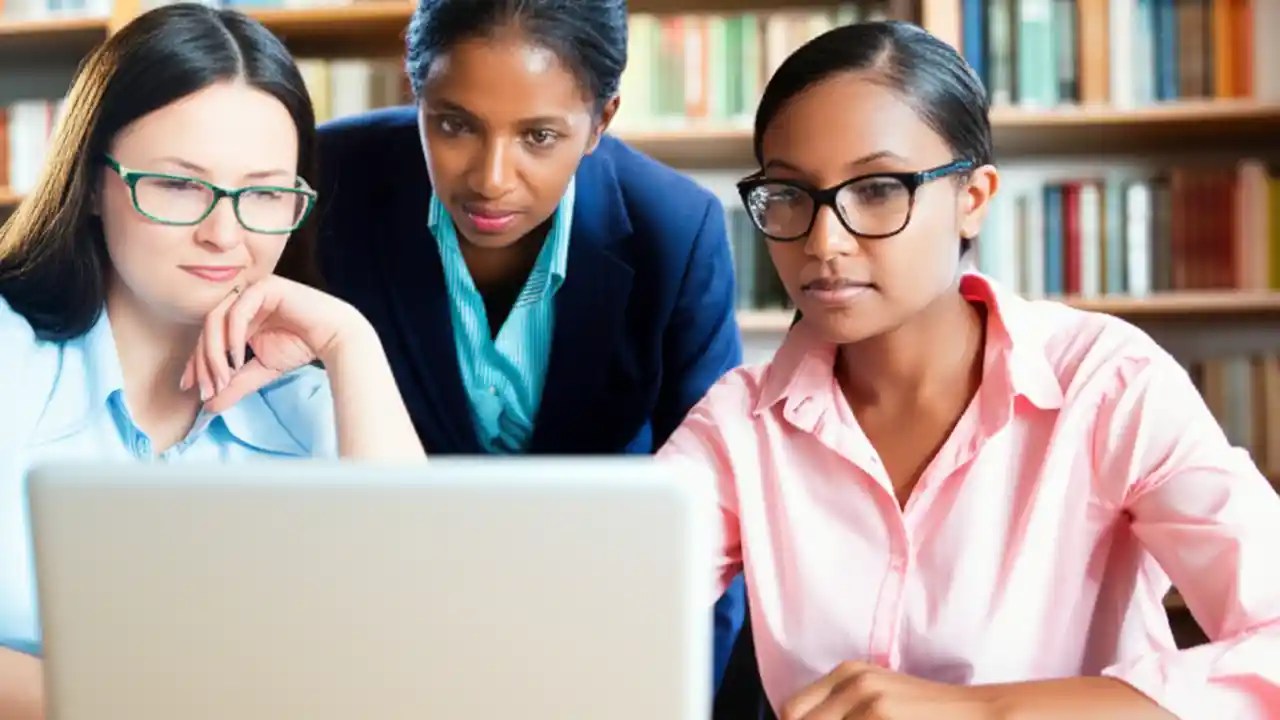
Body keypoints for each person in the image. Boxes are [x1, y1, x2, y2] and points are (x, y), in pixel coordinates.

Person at [661, 20, 1280, 720]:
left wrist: (981, 711)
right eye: (790, 195)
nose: (823, 241)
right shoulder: (741, 425)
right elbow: (594, 602)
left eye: (876, 189)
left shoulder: (1106, 383)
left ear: (973, 199)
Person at [0, 5, 424, 717]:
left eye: (264, 193)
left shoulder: (319, 412)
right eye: (179, 185)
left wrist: (353, 342)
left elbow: (421, 637)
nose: (224, 234)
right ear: (94, 184)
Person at [311, 0, 746, 689]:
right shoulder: (328, 179)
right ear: (414, 87)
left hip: (595, 624)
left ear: (601, 121)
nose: (490, 177)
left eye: (539, 137)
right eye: (454, 125)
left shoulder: (677, 231)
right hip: (377, 615)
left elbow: (715, 528)